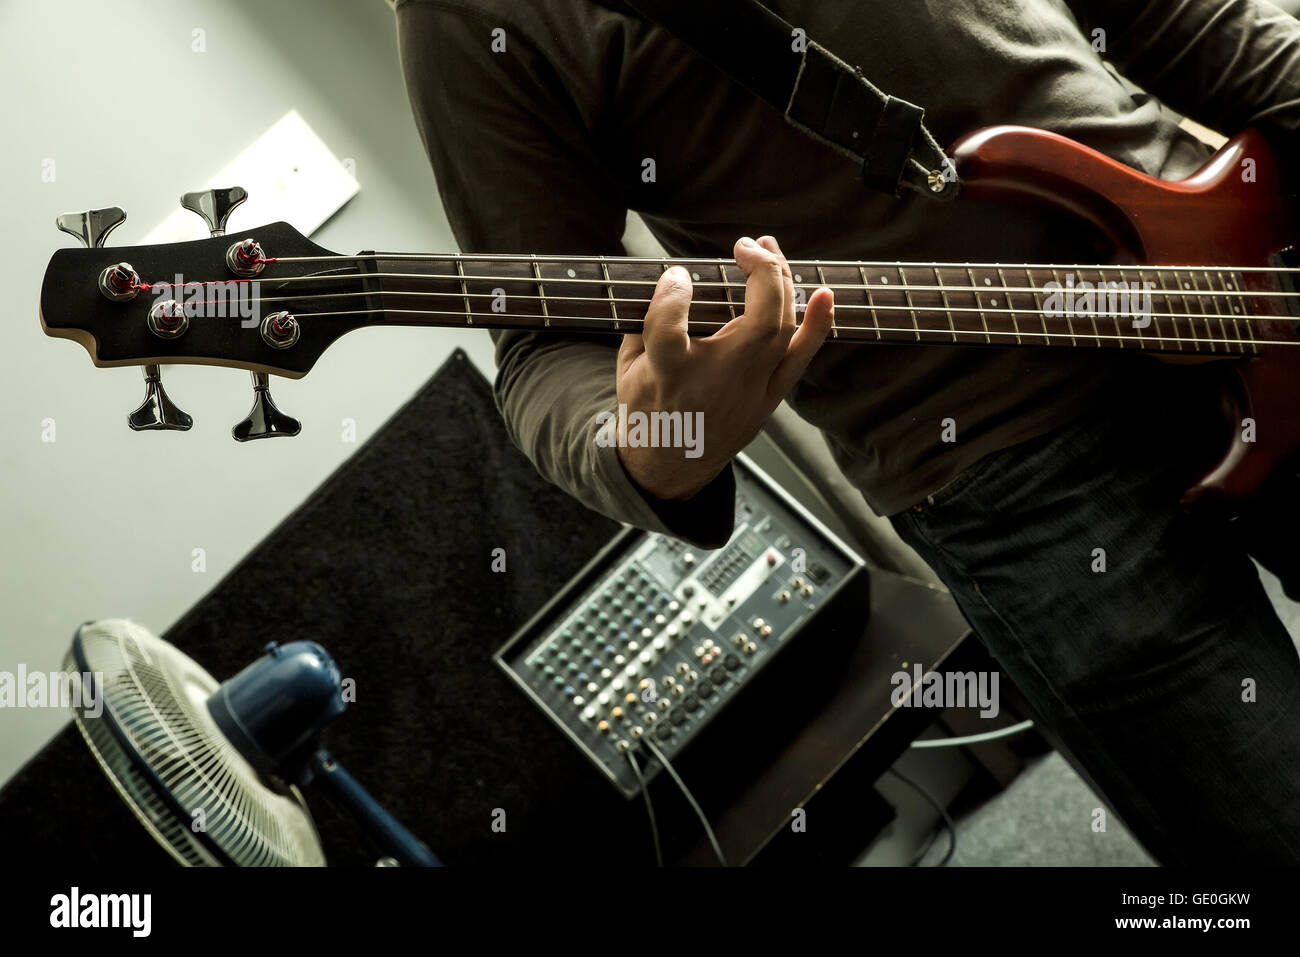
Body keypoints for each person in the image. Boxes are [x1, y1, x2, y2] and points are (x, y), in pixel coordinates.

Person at [395, 0, 1300, 864]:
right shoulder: (467, 19)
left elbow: (1170, 17)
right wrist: (653, 444)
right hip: (1015, 478)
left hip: (1244, 267)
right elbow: (543, 345)